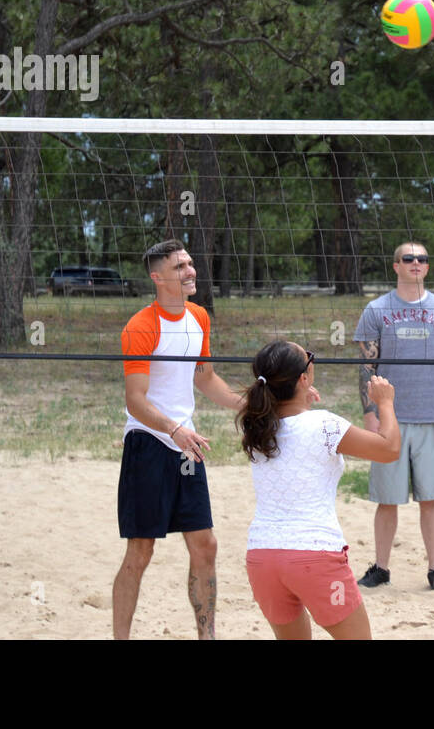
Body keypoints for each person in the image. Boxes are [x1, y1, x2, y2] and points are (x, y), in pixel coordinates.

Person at [112, 239, 244, 639]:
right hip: (149, 443)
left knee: (205, 545)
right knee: (141, 552)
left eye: (190, 263)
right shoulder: (140, 326)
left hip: (187, 447)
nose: (190, 271)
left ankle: (207, 635)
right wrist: (173, 429)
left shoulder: (199, 317)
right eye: (179, 266)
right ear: (157, 278)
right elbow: (135, 402)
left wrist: (248, 404)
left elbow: (204, 377)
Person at [240, 340, 401, 639]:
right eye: (309, 357)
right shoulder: (324, 425)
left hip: (263, 559)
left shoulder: (259, 429)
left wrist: (300, 403)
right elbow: (390, 449)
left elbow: (294, 433)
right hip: (314, 556)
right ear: (303, 379)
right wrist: (385, 403)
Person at [354, 241, 434, 590]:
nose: (416, 263)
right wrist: (370, 413)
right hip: (390, 418)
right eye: (409, 259)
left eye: (422, 258)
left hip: (432, 415)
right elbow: (366, 366)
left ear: (427, 267)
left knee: (431, 499)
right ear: (396, 267)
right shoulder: (376, 310)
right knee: (388, 499)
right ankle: (381, 567)